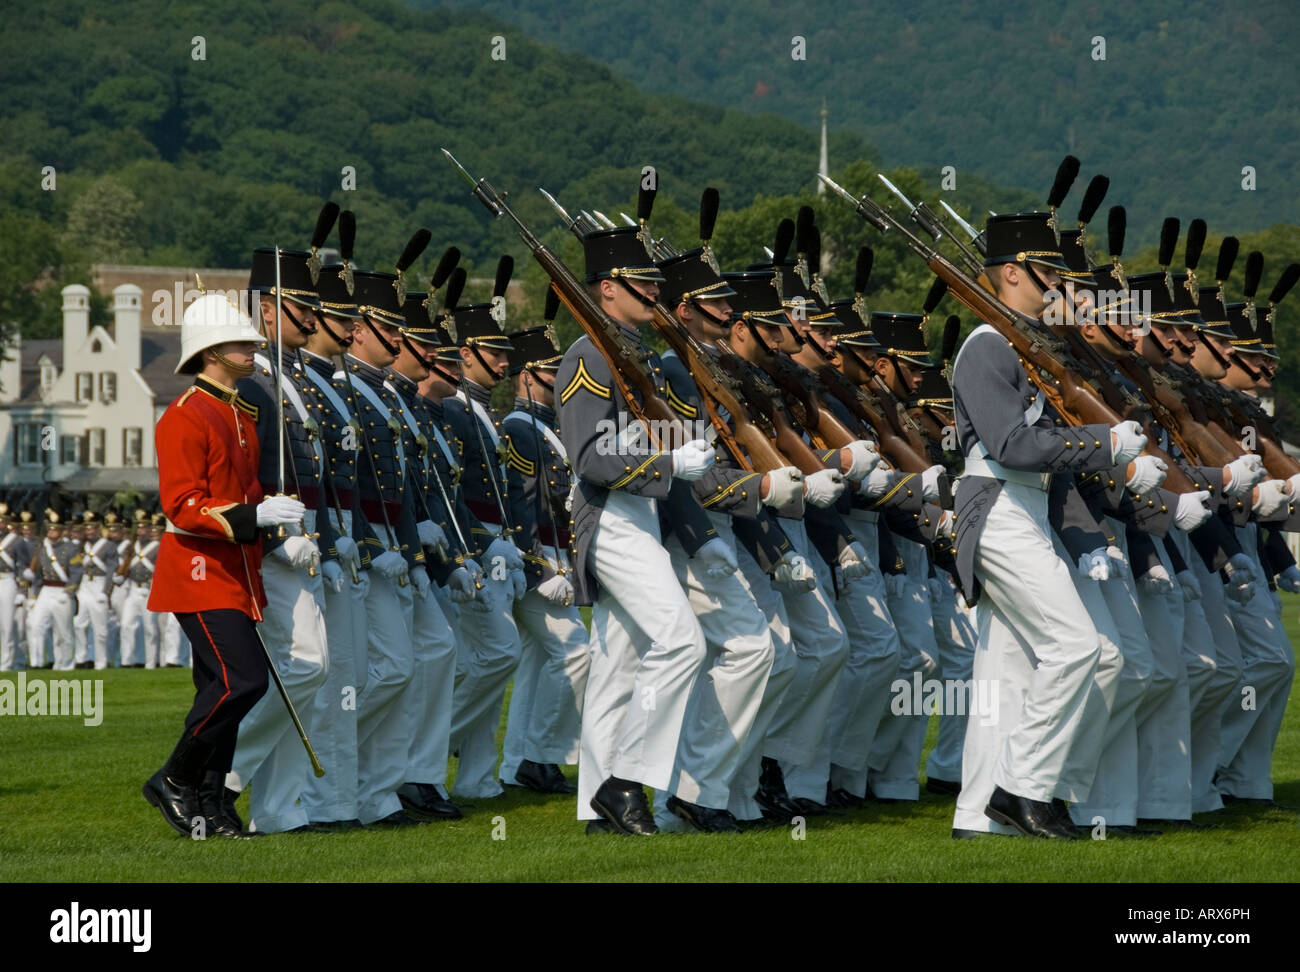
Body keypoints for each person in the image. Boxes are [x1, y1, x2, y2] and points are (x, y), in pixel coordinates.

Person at [949, 212, 1148, 839]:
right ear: (1013, 273)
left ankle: (987, 813)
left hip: (1024, 507)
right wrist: (1102, 443)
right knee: (1079, 646)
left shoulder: (1014, 345)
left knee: (1007, 674)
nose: (1060, 285)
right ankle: (1024, 791)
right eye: (1048, 272)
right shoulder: (985, 345)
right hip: (998, 506)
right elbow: (1011, 444)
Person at [556, 224, 714, 835]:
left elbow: (639, 435)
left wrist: (687, 445)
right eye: (641, 284)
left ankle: (597, 807)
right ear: (606, 288)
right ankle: (627, 782)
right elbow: (590, 458)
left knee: (618, 668)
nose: (653, 294)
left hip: (640, 513)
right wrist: (672, 462)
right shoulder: (588, 353)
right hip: (610, 517)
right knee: (682, 642)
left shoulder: (628, 349)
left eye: (655, 284)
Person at [141, 292, 305, 839]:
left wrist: (271, 516)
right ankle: (175, 776)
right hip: (197, 571)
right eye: (241, 342)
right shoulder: (185, 415)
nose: (254, 346)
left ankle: (210, 806)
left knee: (222, 689)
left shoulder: (237, 411)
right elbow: (183, 505)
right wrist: (253, 513)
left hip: (236, 570)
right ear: (212, 351)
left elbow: (247, 490)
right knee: (243, 682)